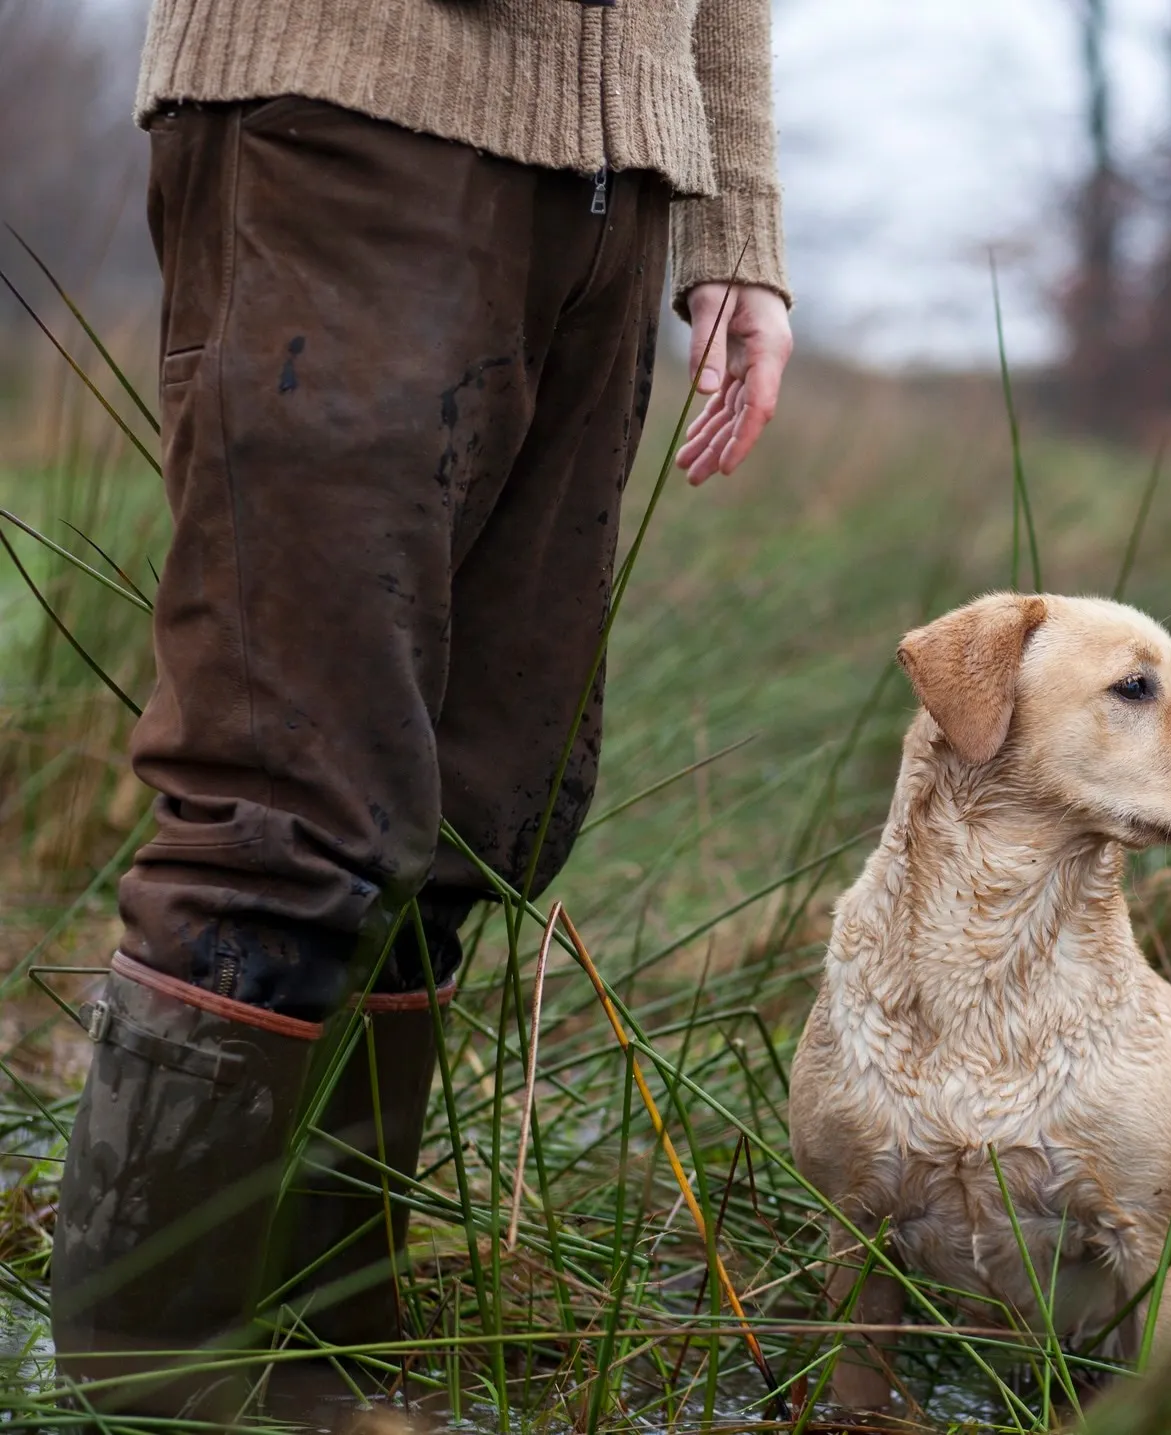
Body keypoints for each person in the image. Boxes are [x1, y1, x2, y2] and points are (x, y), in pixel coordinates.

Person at [48, 0, 793, 1415]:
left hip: (608, 184)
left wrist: (731, 223)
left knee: (465, 817)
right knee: (286, 800)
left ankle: (328, 1369)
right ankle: (153, 1389)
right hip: (350, 121)